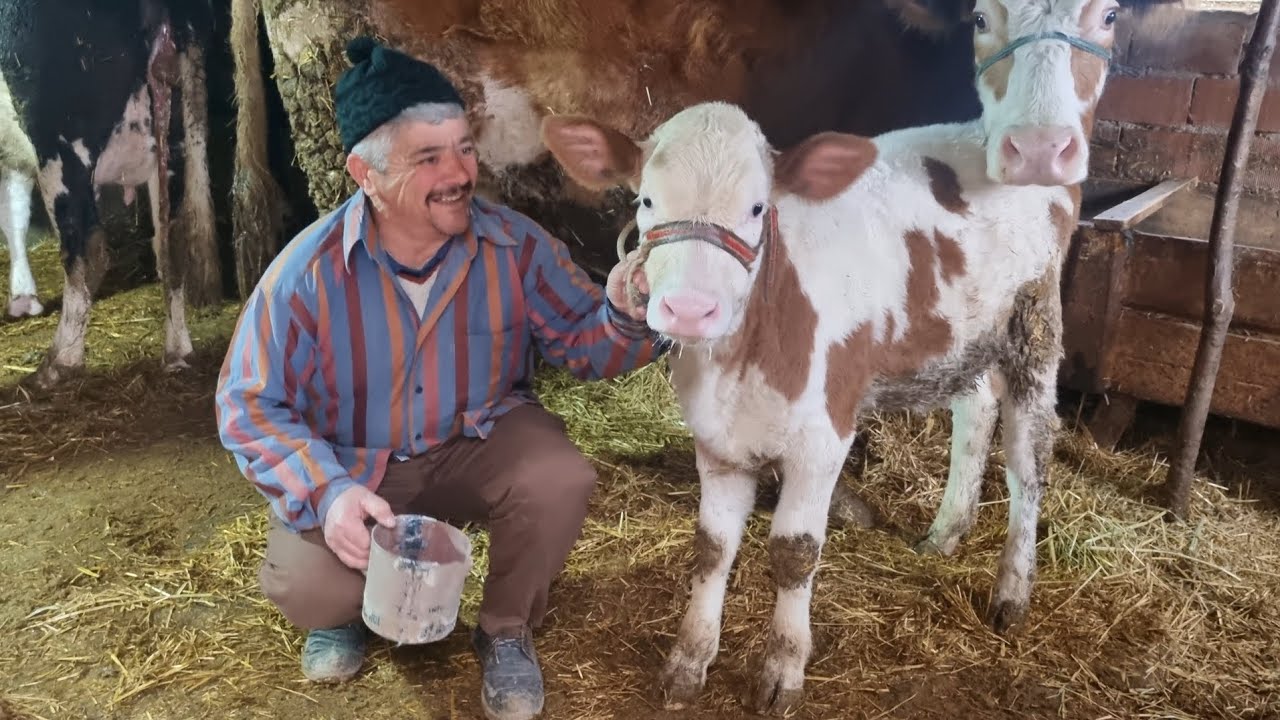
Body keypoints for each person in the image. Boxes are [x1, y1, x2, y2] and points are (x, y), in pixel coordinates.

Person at [214, 36, 664, 720]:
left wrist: (632, 313)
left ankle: (506, 630)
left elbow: (586, 344)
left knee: (559, 477)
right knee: (307, 588)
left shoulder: (514, 246)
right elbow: (247, 404)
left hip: (475, 442)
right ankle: (346, 612)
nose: (459, 173)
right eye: (429, 157)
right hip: (361, 468)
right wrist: (329, 494)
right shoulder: (304, 275)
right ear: (365, 174)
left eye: (463, 148)